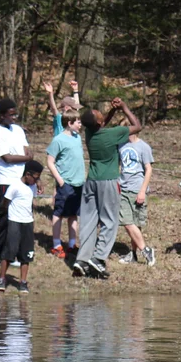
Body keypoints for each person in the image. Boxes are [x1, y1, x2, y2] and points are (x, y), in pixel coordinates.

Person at [72, 97, 142, 278]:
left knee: (88, 221)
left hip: (91, 182)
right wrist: (124, 107)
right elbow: (137, 126)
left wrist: (112, 111)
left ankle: (81, 261)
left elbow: (101, 123)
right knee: (110, 221)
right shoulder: (112, 134)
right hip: (109, 181)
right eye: (99, 114)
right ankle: (98, 258)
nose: (101, 113)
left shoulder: (88, 133)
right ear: (99, 122)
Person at [0, 99, 32, 267]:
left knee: (18, 218)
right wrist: (27, 158)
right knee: (4, 215)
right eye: (11, 115)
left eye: (15, 114)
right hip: (6, 179)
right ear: (1, 115)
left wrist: (27, 159)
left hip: (21, 179)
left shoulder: (17, 130)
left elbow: (26, 149)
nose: (14, 117)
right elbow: (6, 157)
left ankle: (11, 254)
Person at [0, 160, 43, 294]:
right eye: (35, 177)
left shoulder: (32, 186)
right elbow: (5, 203)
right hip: (14, 221)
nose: (37, 180)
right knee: (10, 250)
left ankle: (23, 282)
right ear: (27, 174)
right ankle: (2, 278)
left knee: (26, 253)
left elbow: (30, 199)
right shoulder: (15, 186)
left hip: (27, 222)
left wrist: (38, 182)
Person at [45, 108, 85, 258]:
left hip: (78, 184)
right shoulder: (58, 140)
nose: (80, 124)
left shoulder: (77, 137)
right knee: (59, 213)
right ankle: (56, 245)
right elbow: (50, 162)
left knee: (74, 214)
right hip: (66, 184)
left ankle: (72, 244)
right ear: (70, 123)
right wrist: (61, 182)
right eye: (78, 122)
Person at [117, 132, 157, 265]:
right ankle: (145, 250)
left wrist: (142, 191)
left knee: (135, 223)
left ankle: (135, 253)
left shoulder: (144, 147)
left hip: (137, 189)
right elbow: (118, 165)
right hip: (123, 188)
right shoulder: (120, 145)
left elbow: (148, 169)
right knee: (127, 222)